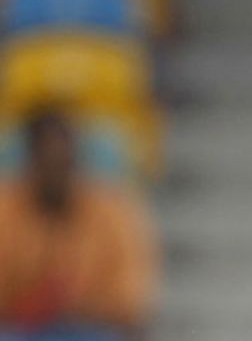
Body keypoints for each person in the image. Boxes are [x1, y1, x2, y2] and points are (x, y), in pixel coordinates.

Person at [0, 110, 159, 329]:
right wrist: (32, 305)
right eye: (47, 165)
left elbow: (130, 298)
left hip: (92, 333)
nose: (56, 176)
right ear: (30, 164)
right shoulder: (6, 208)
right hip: (17, 333)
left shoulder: (111, 212)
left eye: (63, 164)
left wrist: (72, 305)